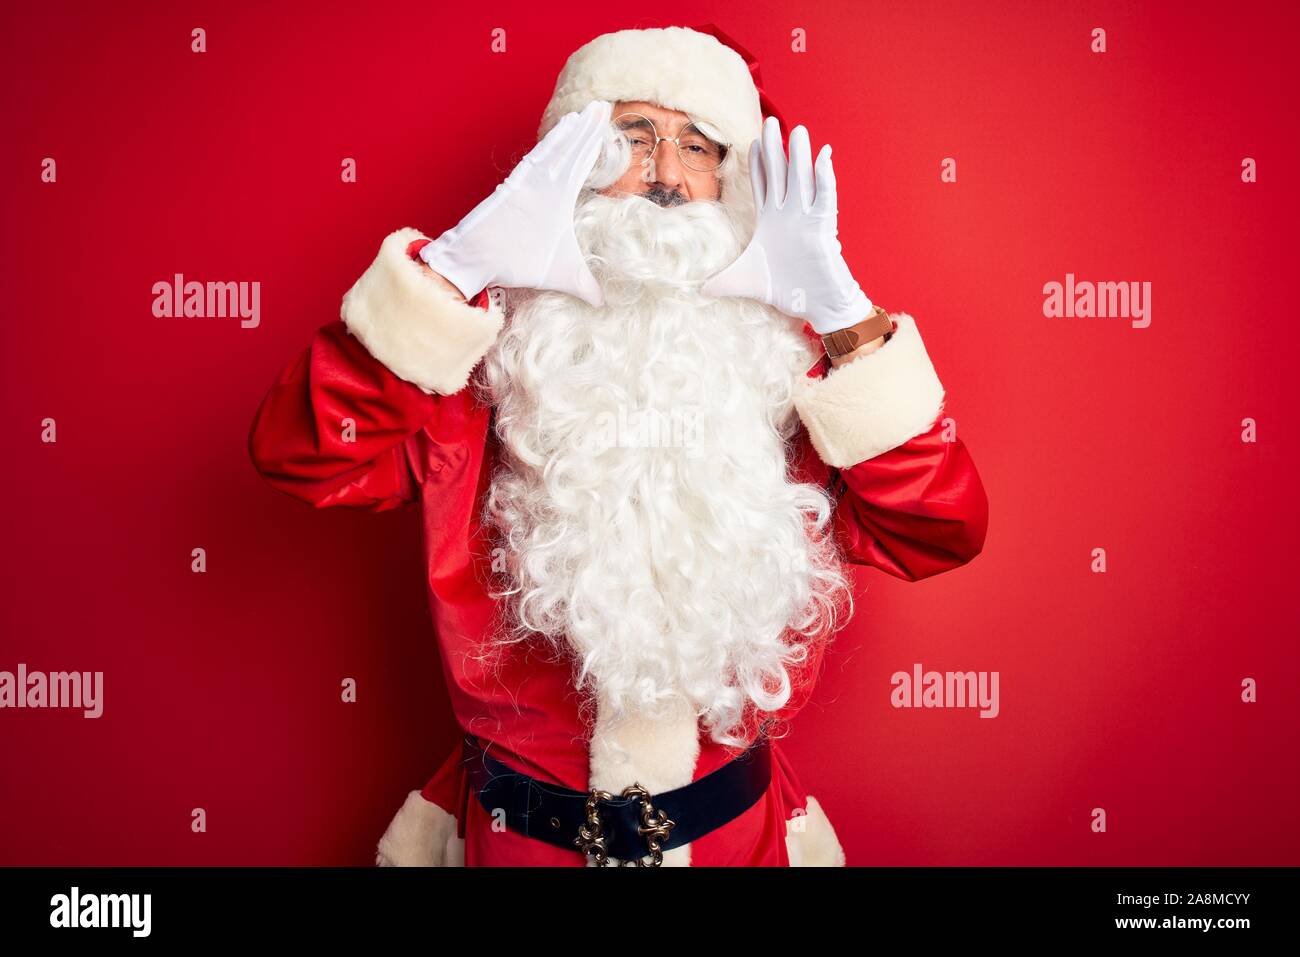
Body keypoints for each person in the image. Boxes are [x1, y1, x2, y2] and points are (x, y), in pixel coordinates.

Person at [248, 24, 989, 867]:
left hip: (736, 845)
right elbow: (299, 452)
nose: (667, 178)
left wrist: (843, 310)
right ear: (569, 166)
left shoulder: (788, 375)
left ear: (733, 182)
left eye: (698, 146)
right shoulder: (477, 374)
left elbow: (941, 528)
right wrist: (455, 267)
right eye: (634, 139)